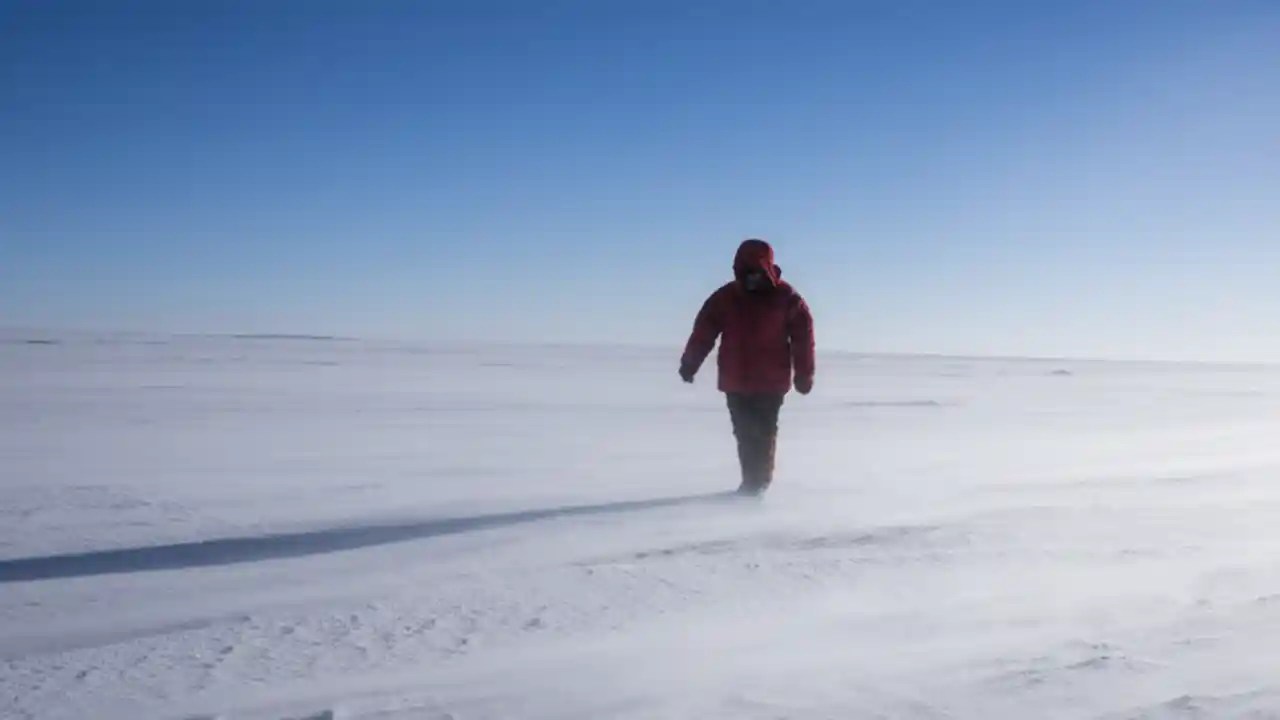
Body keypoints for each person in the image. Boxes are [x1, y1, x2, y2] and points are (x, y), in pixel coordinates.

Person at [679, 239, 815, 494]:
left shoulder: (786, 298)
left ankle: (759, 484)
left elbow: (803, 338)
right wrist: (690, 363)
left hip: (770, 383)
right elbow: (704, 332)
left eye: (756, 272)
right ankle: (751, 482)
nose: (752, 279)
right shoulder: (726, 298)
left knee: (763, 433)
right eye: (746, 272)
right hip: (736, 380)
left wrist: (804, 375)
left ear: (767, 268)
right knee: (744, 433)